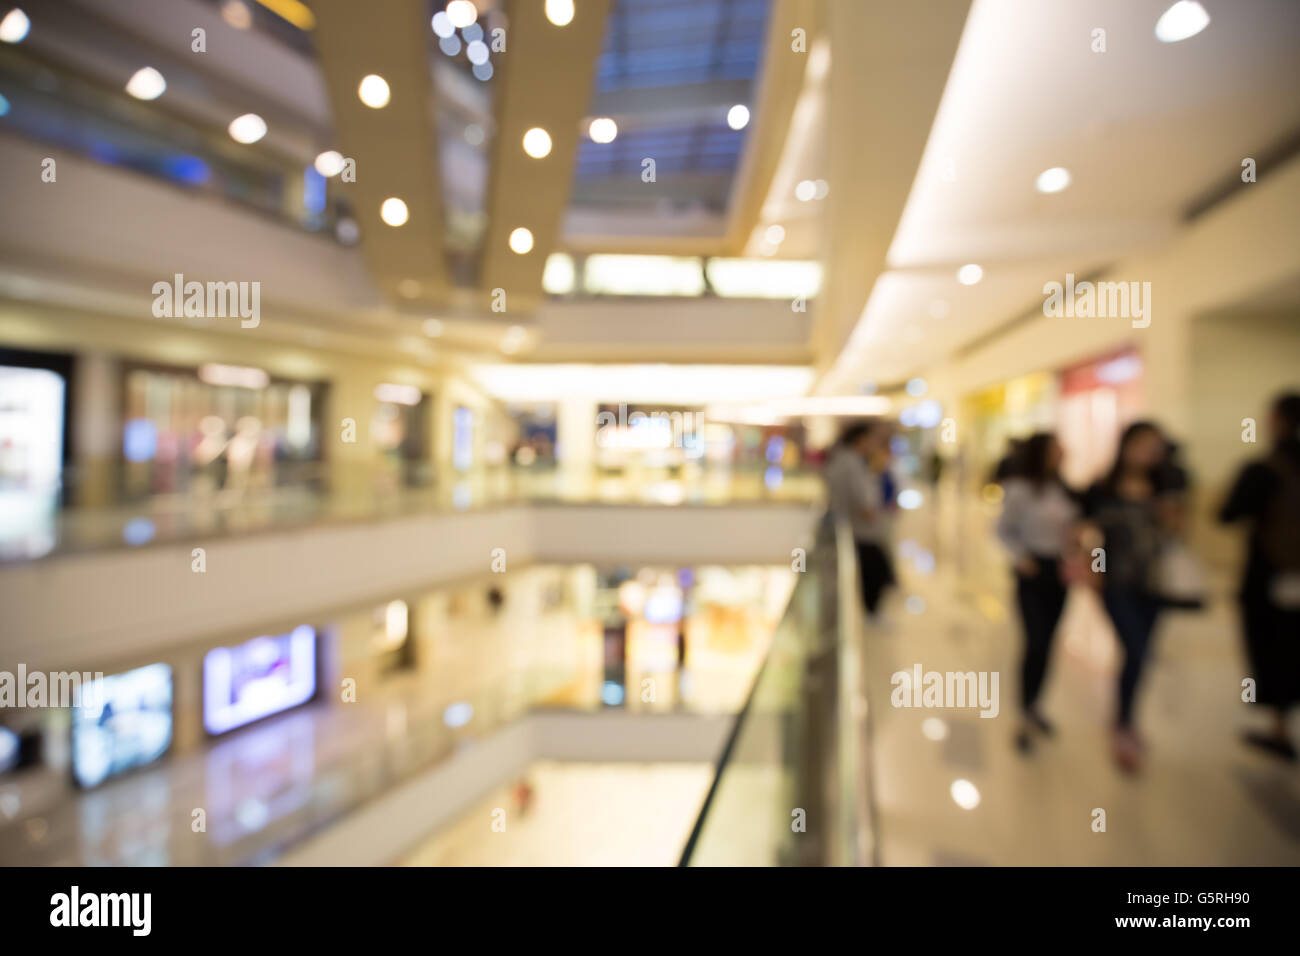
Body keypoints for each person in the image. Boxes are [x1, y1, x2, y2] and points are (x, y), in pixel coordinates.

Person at [1080, 421, 1181, 773]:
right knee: (1137, 649)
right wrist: (1093, 567)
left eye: (1156, 446)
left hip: (1154, 583)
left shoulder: (1165, 485)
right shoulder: (1103, 487)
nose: (1149, 452)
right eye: (1144, 444)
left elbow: (1176, 534)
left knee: (1138, 655)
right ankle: (1124, 724)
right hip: (1115, 583)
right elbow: (1086, 530)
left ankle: (1125, 719)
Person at [1219, 392, 1300, 761]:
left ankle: (1279, 727)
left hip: (1270, 575)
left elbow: (1227, 513)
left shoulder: (1265, 468)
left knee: (1273, 649)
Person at [995, 432, 1079, 753]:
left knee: (1049, 643)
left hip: (1058, 572)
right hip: (1031, 571)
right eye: (1057, 449)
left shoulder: (1063, 489)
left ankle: (1035, 706)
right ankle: (1024, 712)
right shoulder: (1019, 490)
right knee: (1035, 641)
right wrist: (1020, 557)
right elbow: (1002, 530)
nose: (1063, 454)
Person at [824, 420, 896, 617]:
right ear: (861, 439)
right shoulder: (851, 463)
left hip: (853, 527)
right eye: (871, 439)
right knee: (874, 572)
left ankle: (871, 611)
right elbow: (863, 501)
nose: (874, 443)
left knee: (872, 571)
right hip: (861, 529)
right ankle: (872, 611)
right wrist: (873, 514)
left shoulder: (844, 459)